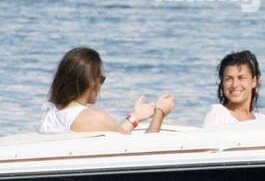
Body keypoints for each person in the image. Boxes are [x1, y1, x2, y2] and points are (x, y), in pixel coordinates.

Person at [38, 47, 174, 134]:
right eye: (101, 79)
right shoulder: (93, 118)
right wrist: (159, 113)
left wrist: (135, 117)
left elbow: (115, 135)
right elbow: (144, 152)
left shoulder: (51, 116)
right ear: (92, 82)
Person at [203, 50, 265, 127]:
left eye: (241, 78)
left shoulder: (263, 120)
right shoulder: (218, 114)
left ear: (254, 81)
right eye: (229, 79)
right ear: (222, 83)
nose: (234, 85)